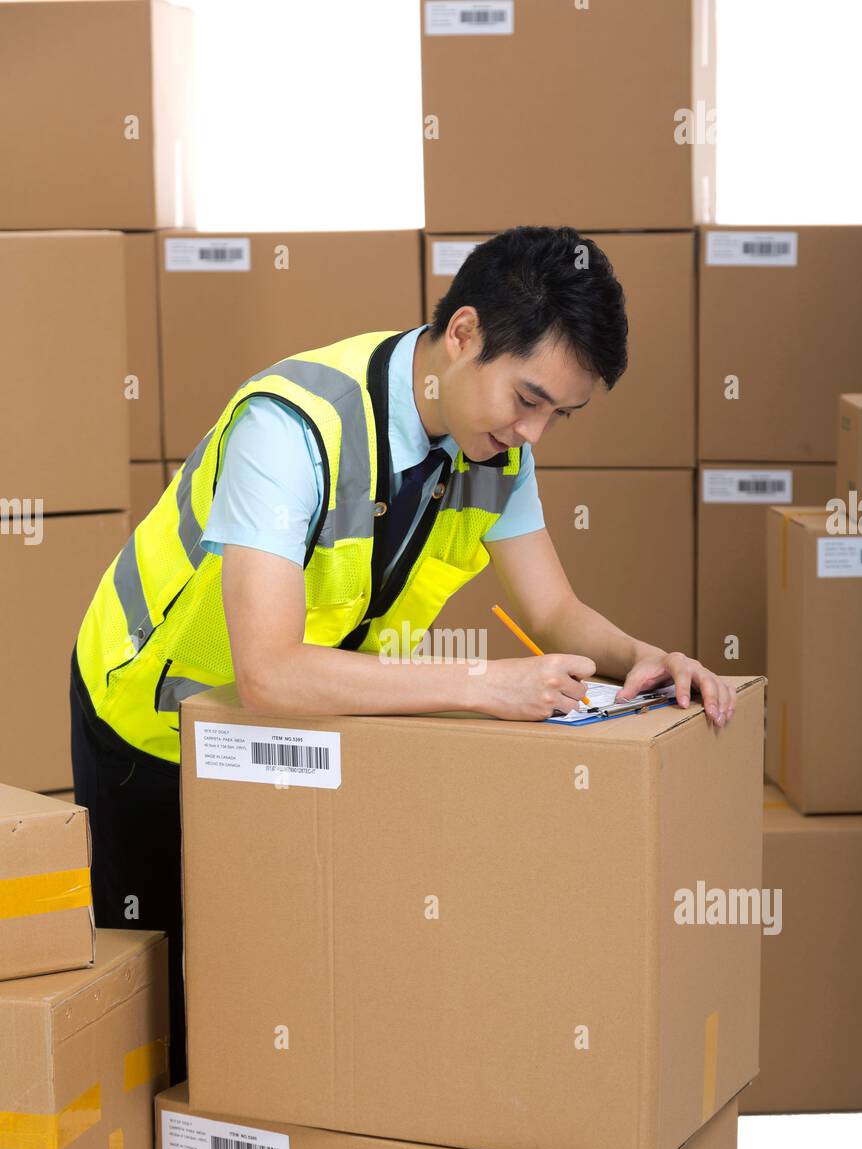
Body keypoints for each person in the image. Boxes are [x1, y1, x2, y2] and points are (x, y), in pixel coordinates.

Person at [69, 224, 737, 1085]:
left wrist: (647, 656)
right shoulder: (293, 426)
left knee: (277, 985)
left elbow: (554, 609)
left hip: (305, 726)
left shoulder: (493, 448)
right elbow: (268, 670)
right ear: (463, 335)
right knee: (161, 1018)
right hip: (149, 726)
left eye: (559, 416)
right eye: (528, 399)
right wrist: (485, 686)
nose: (536, 433)